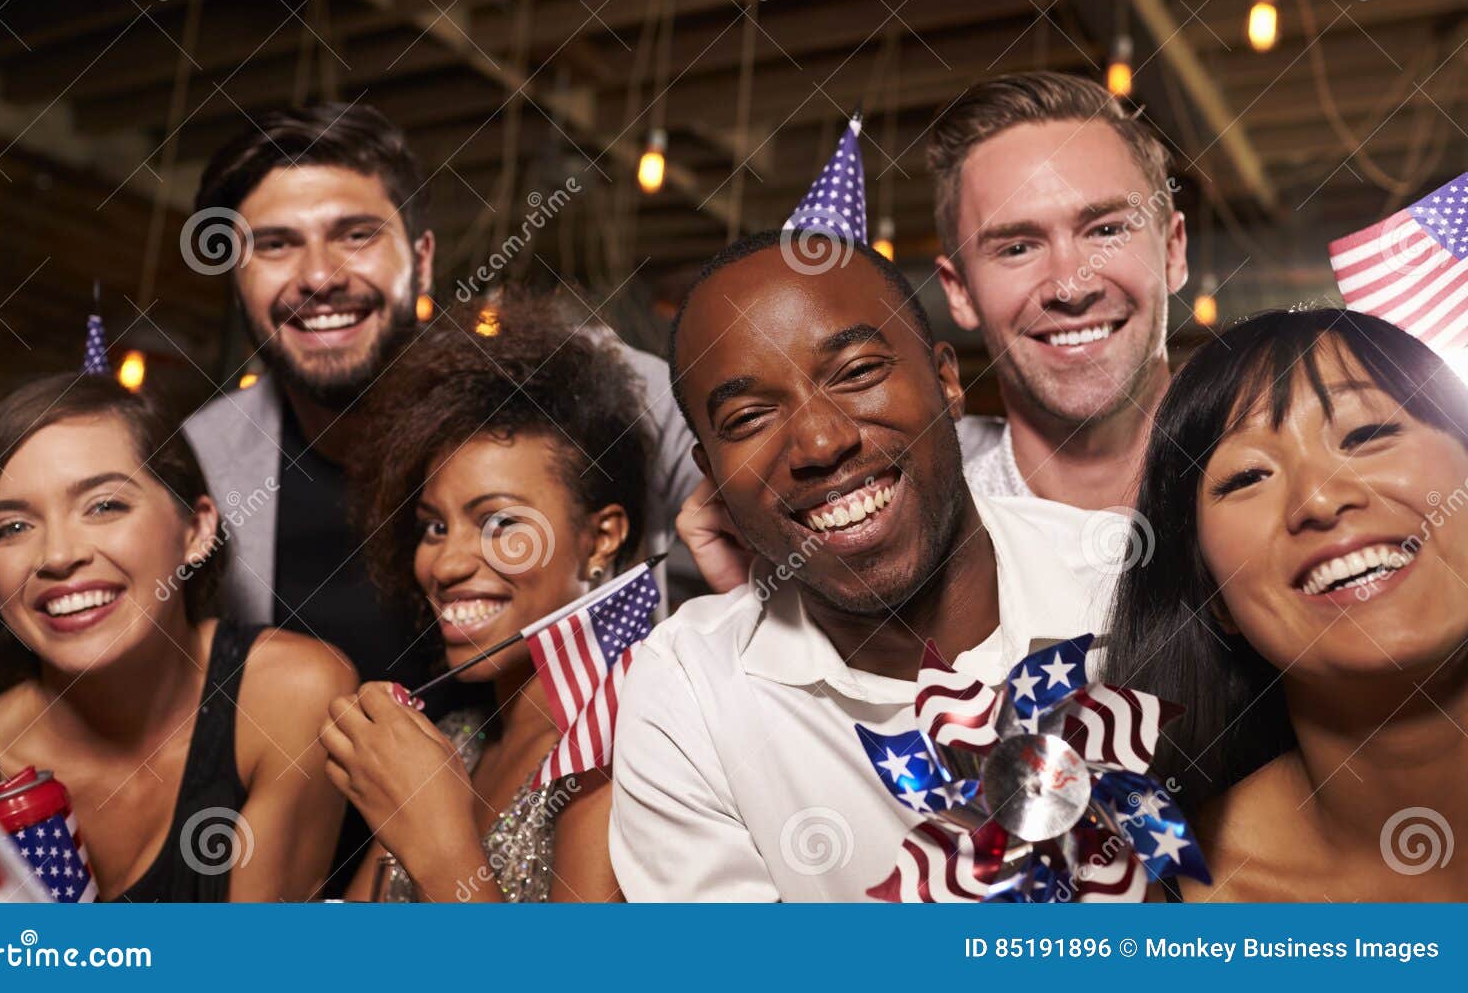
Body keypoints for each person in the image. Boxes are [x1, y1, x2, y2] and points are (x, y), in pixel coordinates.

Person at [180, 103, 698, 888]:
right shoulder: (204, 467)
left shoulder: (543, 398)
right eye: (276, 244)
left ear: (420, 261)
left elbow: (741, 430)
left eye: (355, 234)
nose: (319, 275)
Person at [608, 230, 1126, 901]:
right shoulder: (687, 693)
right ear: (710, 474)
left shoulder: (1127, 583)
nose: (821, 441)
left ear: (946, 381)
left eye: (857, 373)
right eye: (747, 416)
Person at [0, 374, 354, 902]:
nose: (58, 556)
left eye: (105, 505)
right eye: (12, 528)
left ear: (196, 531)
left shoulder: (290, 696)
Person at [1104, 308, 1468, 901]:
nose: (1320, 498)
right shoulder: (1162, 905)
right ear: (1212, 597)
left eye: (1366, 434)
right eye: (1248, 475)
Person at [320, 293, 648, 902]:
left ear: (600, 538)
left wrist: (440, 847)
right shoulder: (455, 739)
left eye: (499, 523)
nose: (444, 563)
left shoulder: (614, 752)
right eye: (433, 526)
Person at [929, 71, 1189, 511]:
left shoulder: (1299, 493)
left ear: (1172, 252)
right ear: (960, 292)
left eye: (1106, 230)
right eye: (1017, 248)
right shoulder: (923, 536)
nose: (1071, 285)